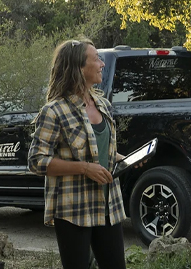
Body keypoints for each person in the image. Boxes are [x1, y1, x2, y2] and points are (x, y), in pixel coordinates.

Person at [28, 39, 127, 269]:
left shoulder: (102, 104)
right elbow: (36, 161)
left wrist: (126, 160)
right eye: (96, 59)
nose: (102, 64)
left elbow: (101, 148)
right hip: (74, 209)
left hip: (108, 206)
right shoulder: (54, 111)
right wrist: (84, 168)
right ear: (79, 68)